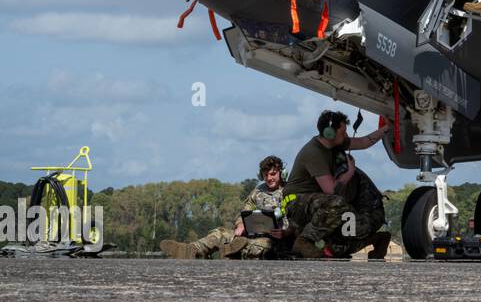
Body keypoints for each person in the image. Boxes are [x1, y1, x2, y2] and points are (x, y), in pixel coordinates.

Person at [283, 110, 390, 259]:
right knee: (337, 204)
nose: (346, 135)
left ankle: (376, 239)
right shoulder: (314, 153)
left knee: (350, 226)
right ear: (329, 133)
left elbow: (365, 142)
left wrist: (386, 129)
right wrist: (349, 173)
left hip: (320, 204)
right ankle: (304, 241)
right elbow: (331, 190)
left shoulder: (335, 143)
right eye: (343, 132)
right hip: (297, 203)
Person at [160, 156, 292, 260]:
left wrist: (286, 232)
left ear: (282, 173)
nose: (269, 178)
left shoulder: (290, 192)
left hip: (273, 240)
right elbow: (244, 212)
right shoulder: (257, 192)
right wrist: (240, 224)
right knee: (220, 233)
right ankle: (191, 250)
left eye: (273, 174)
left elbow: (297, 223)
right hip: (250, 234)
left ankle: (233, 250)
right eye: (266, 175)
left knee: (261, 245)